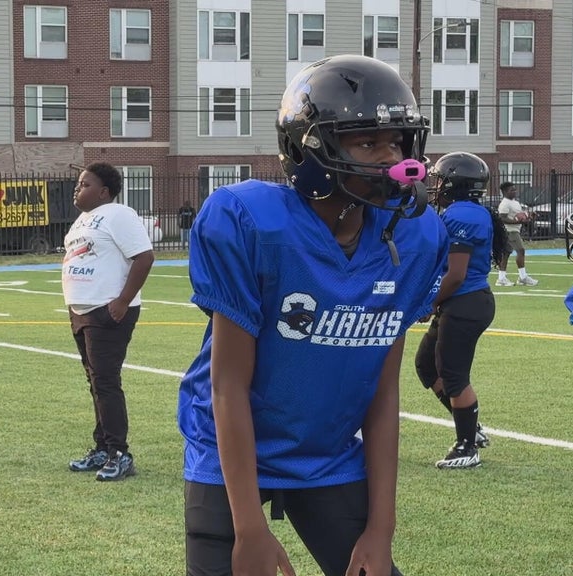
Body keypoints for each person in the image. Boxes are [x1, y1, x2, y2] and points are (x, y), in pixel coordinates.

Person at [177, 55, 448, 576]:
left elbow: (383, 391)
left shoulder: (415, 238)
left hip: (327, 452)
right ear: (311, 147)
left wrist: (380, 529)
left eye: (397, 141)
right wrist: (250, 530)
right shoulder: (251, 222)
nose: (392, 158)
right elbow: (228, 385)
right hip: (230, 448)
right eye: (369, 142)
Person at [63, 162, 155, 482]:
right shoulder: (83, 220)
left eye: (85, 184)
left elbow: (144, 257)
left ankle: (120, 453)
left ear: (104, 191)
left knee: (105, 381)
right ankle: (102, 447)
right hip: (82, 311)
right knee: (95, 382)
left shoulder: (118, 214)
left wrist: (122, 301)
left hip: (108, 311)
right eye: (78, 183)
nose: (78, 188)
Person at [415, 152, 508, 469]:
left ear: (455, 182)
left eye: (441, 179)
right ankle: (472, 428)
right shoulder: (465, 211)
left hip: (466, 301)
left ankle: (467, 446)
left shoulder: (464, 216)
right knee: (427, 365)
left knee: (453, 375)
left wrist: (430, 302)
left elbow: (455, 274)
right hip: (462, 301)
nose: (436, 185)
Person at [495, 181, 538, 286]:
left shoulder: (515, 202)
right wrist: (518, 221)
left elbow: (519, 216)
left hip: (514, 230)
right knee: (520, 250)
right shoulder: (504, 203)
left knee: (506, 254)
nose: (514, 191)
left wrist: (529, 217)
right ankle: (522, 277)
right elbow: (502, 218)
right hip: (510, 231)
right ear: (505, 192)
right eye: (512, 190)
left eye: (515, 189)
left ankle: (501, 278)